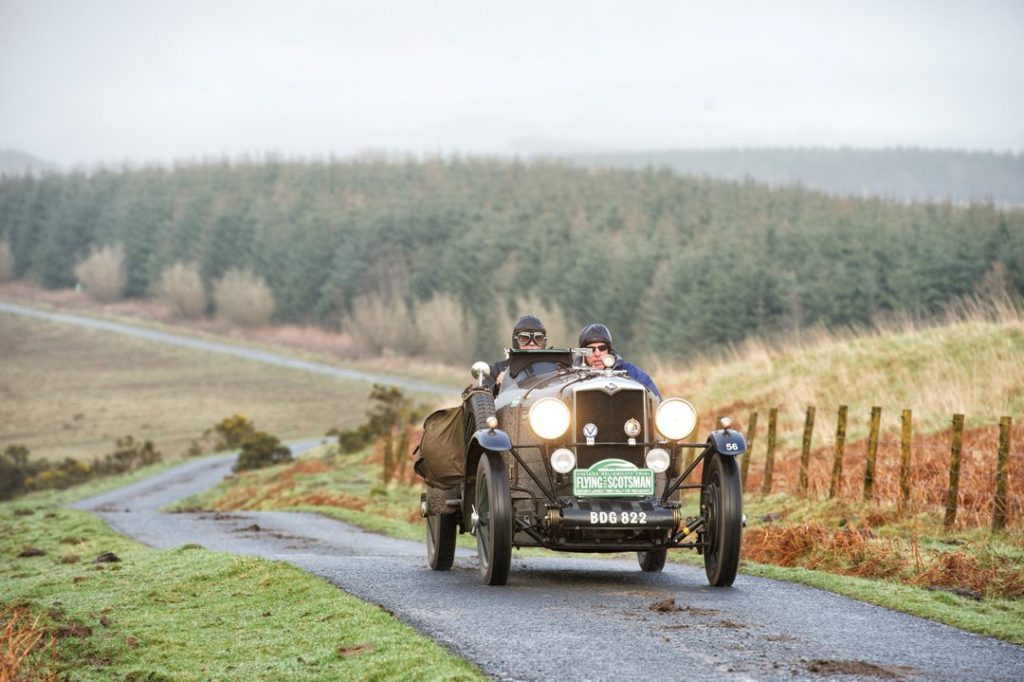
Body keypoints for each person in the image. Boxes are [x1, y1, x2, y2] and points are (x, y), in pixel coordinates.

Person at [578, 323, 661, 399]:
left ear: (609, 351)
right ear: (582, 353)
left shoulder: (633, 373)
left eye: (602, 348)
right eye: (591, 349)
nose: (597, 354)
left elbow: (657, 401)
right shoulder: (573, 376)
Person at [487, 314, 547, 388]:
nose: (532, 343)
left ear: (544, 342)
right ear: (516, 341)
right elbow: (481, 393)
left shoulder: (555, 367)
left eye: (538, 338)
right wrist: (497, 385)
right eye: (525, 338)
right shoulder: (497, 370)